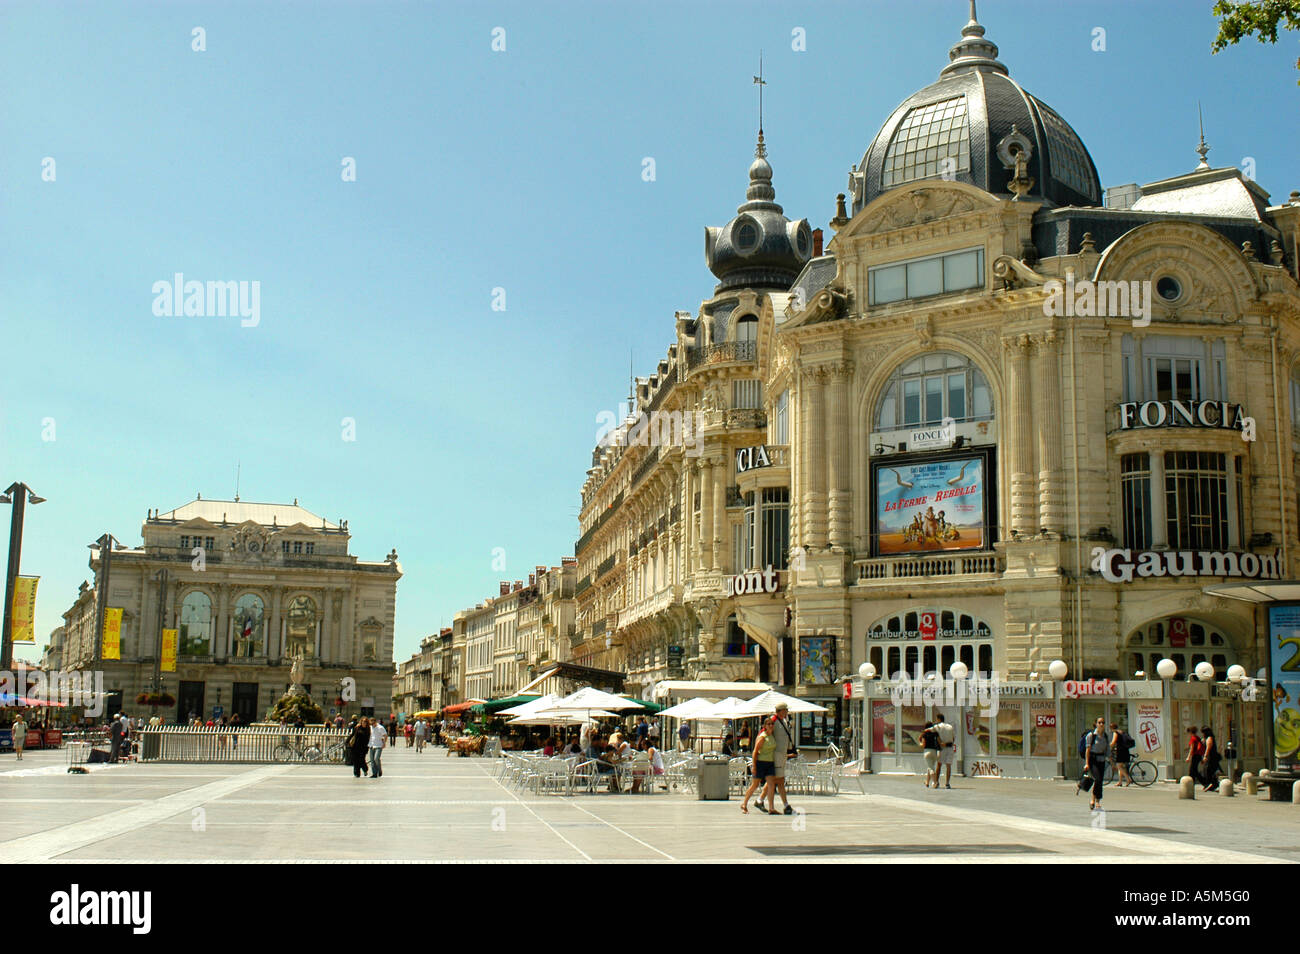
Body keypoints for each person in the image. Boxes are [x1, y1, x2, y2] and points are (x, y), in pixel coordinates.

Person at [740, 718, 777, 814]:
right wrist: (754, 766)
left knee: (771, 785)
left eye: (772, 724)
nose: (771, 726)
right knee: (755, 785)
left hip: (770, 763)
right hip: (761, 762)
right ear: (764, 726)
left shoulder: (772, 736)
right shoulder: (762, 737)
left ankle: (771, 808)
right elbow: (755, 752)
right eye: (768, 724)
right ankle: (744, 804)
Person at [768, 703, 797, 815]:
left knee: (775, 780)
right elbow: (767, 735)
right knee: (778, 780)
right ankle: (785, 805)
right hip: (776, 755)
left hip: (782, 754)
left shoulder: (784, 721)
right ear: (780, 711)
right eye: (785, 710)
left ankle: (760, 801)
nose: (787, 712)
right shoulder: (773, 721)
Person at [1083, 716, 1109, 810]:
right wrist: (1086, 763)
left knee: (1100, 781)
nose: (1101, 724)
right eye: (1099, 722)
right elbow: (1087, 750)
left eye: (1103, 722)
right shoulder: (1091, 735)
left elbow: (1107, 749)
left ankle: (1097, 800)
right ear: (1096, 724)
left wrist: (1112, 762)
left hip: (1102, 760)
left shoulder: (1105, 736)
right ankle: (1093, 800)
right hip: (1093, 760)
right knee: (1097, 779)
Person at [932, 712, 956, 788]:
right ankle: (947, 783)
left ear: (938, 719)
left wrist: (941, 743)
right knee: (948, 766)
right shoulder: (950, 727)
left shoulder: (937, 727)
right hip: (949, 747)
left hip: (941, 748)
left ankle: (936, 782)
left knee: (939, 765)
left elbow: (935, 735)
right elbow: (953, 738)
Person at [1110, 721, 1133, 787]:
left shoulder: (1115, 733)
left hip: (1120, 751)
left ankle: (1128, 779)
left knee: (1118, 766)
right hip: (1125, 750)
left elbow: (1113, 742)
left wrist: (1109, 747)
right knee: (1121, 767)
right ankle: (1120, 782)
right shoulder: (1122, 732)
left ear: (1111, 728)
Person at [1201, 726, 1222, 792]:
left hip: (1211, 757)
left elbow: (1208, 748)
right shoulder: (1206, 738)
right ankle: (1211, 784)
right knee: (1209, 770)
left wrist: (1205, 756)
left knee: (1208, 770)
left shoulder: (1209, 738)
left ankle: (1212, 784)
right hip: (1211, 757)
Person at [920, 721, 940, 787]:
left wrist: (920, 744)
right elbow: (939, 741)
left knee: (931, 768)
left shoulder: (924, 734)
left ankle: (935, 783)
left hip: (927, 751)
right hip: (934, 752)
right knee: (930, 767)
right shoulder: (935, 733)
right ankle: (927, 782)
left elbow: (923, 744)